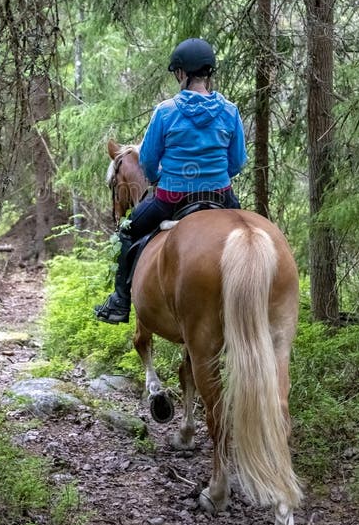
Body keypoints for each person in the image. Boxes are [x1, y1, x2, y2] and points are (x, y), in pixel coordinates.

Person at [94, 37, 247, 324]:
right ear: (208, 72)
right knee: (251, 230)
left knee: (128, 231)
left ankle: (119, 302)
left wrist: (158, 179)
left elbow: (149, 161)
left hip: (172, 197)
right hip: (221, 196)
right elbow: (237, 162)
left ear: (181, 73)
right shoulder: (230, 111)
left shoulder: (165, 111)